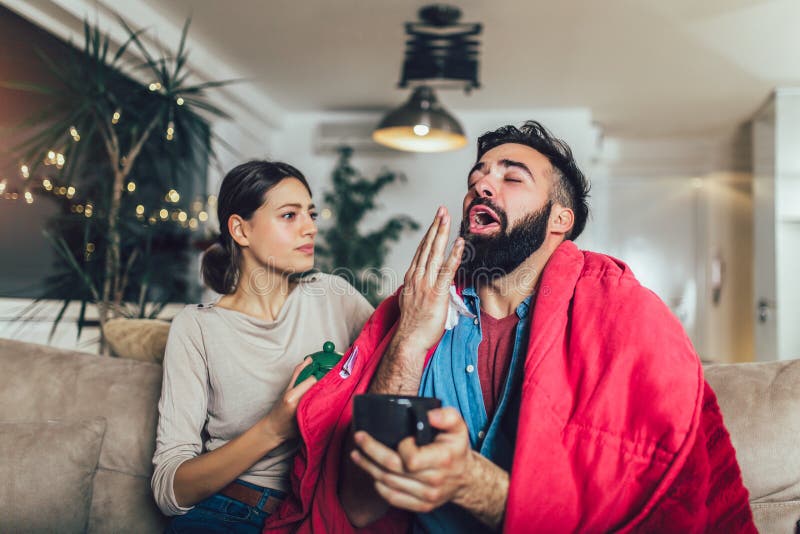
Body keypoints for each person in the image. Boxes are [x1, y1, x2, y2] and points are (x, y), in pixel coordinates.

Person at [263, 122, 756, 533]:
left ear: (559, 219)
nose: (482, 184)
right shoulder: (415, 311)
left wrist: (472, 482)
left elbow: (646, 506)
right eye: (477, 175)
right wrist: (412, 337)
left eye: (512, 177)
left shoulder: (623, 313)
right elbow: (356, 509)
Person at [151, 160, 374, 533]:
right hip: (224, 512)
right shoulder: (196, 328)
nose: (311, 227)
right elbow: (169, 489)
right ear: (240, 230)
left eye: (311, 214)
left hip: (317, 512)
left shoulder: (334, 295)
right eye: (289, 215)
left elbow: (397, 362)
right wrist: (274, 427)